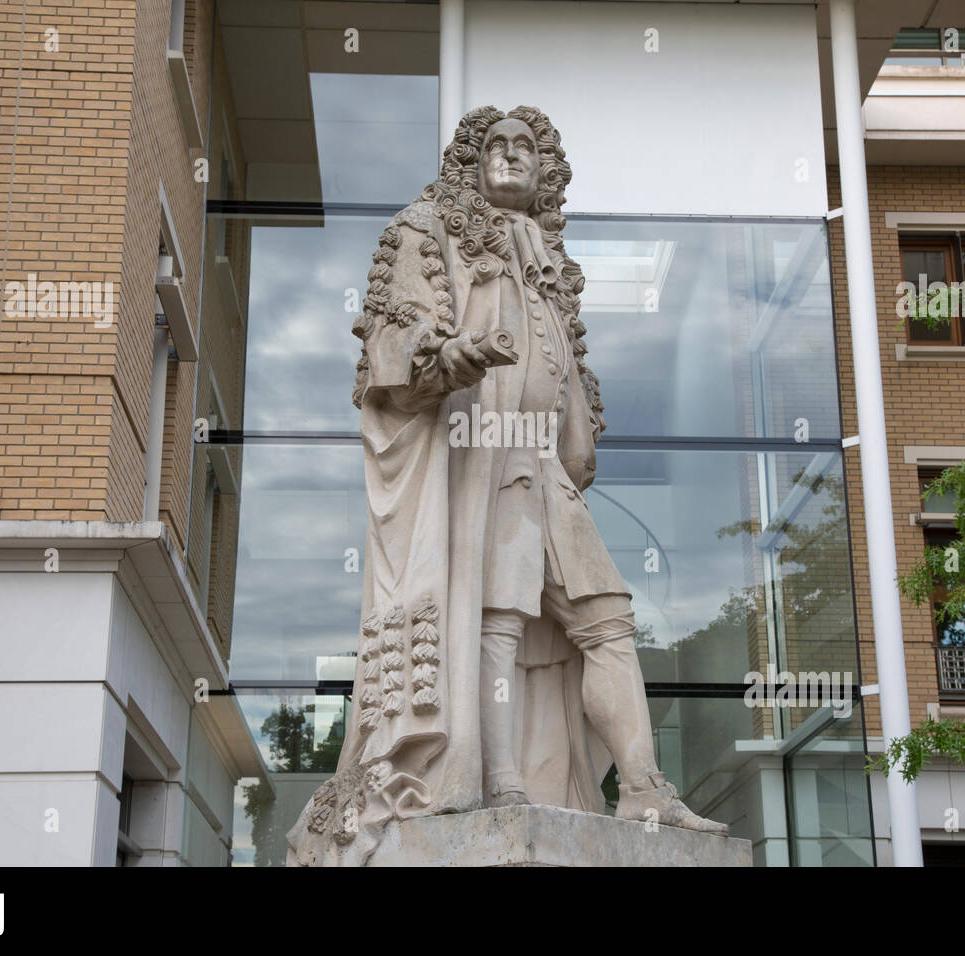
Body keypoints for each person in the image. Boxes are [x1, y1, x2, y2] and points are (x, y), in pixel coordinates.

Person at [286, 106, 726, 866]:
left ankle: (646, 788)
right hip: (476, 454)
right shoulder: (427, 229)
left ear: (545, 169)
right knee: (495, 615)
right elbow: (393, 334)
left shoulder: (546, 256)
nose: (514, 156)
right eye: (498, 145)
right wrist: (450, 355)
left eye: (528, 148)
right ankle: (499, 782)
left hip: (543, 468)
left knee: (607, 615)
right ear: (470, 161)